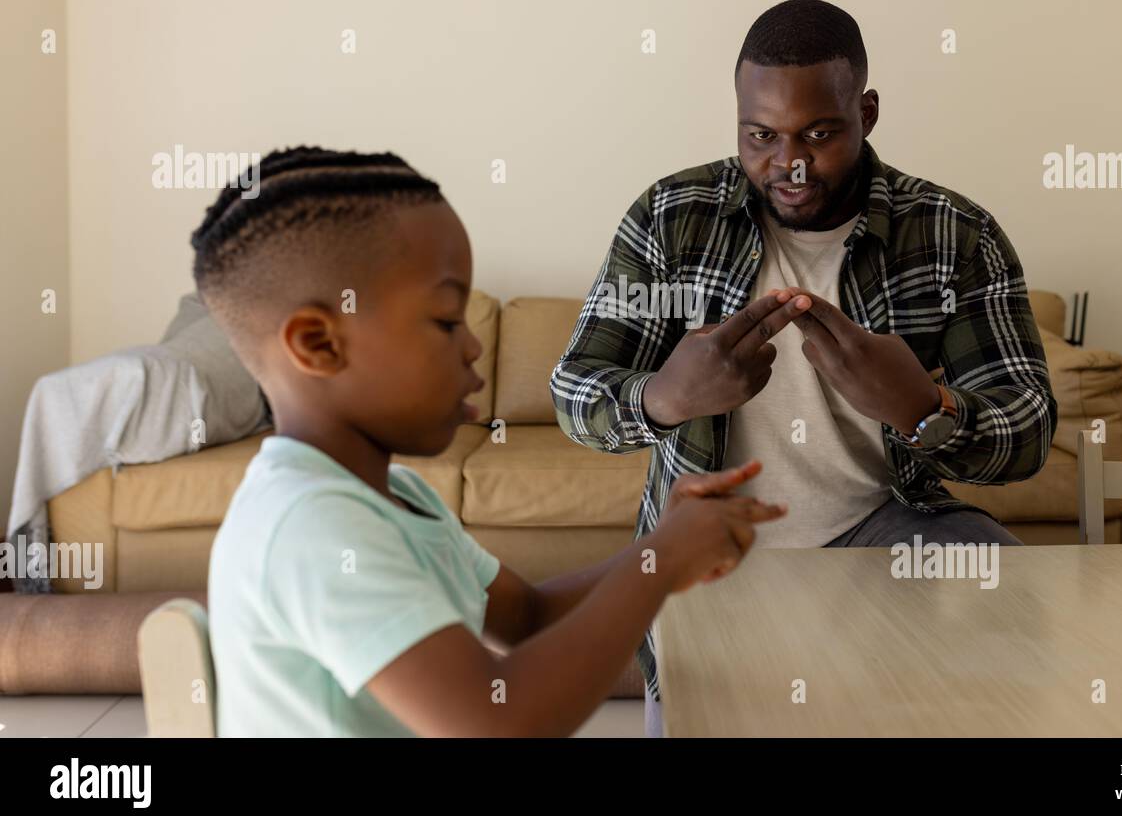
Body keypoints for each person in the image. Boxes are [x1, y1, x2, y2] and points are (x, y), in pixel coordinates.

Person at [551, 0, 1059, 737]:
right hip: (709, 538)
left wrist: (926, 408)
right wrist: (662, 397)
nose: (787, 162)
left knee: (1012, 594)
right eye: (760, 135)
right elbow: (574, 390)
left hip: (881, 527)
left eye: (819, 134)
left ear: (868, 112)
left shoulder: (954, 234)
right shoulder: (672, 216)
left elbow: (1032, 426)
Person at [196, 147, 785, 736]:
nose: (475, 347)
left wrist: (658, 547)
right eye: (448, 321)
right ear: (319, 345)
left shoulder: (393, 494)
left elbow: (528, 616)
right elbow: (497, 723)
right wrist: (662, 567)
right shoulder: (311, 524)